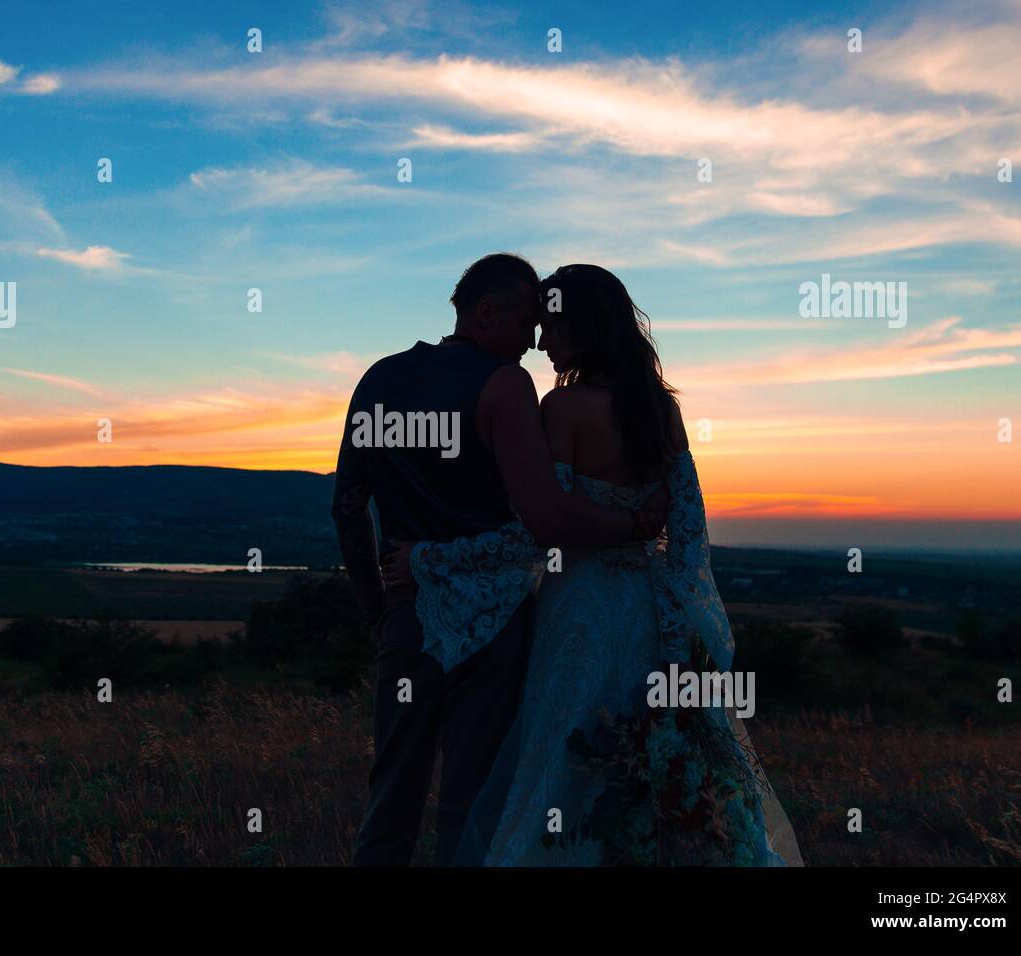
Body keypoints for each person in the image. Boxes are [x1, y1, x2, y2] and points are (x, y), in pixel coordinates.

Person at [381, 263, 803, 866]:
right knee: (651, 765)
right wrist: (683, 631)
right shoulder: (662, 410)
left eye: (550, 328)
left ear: (582, 328)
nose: (540, 342)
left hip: (577, 613)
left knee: (564, 762)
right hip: (653, 616)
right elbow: (687, 535)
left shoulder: (564, 408)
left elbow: (537, 531)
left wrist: (426, 557)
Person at [331, 253, 668, 866]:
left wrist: (378, 613)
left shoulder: (379, 378)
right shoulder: (505, 384)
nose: (535, 341)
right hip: (491, 632)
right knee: (471, 806)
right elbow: (546, 522)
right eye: (527, 324)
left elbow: (348, 506)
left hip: (408, 619)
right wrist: (631, 523)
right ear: (486, 314)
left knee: (392, 800)